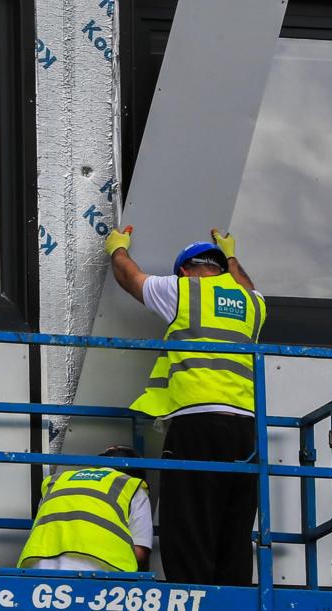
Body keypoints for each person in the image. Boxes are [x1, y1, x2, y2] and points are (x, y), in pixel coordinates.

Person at [104, 226, 267, 585]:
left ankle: (192, 596)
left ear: (184, 270)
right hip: (246, 429)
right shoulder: (254, 303)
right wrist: (232, 255)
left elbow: (130, 278)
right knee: (234, 523)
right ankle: (233, 599)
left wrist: (117, 248)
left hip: (197, 422)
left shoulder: (183, 290)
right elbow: (245, 286)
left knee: (188, 520)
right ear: (222, 269)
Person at [18, 445, 154, 572]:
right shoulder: (132, 486)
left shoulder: (56, 481)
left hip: (37, 566)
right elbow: (140, 551)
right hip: (100, 569)